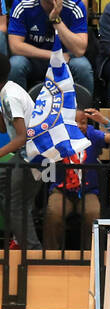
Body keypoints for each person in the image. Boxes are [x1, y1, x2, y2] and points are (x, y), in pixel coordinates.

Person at [43, 105, 110, 250]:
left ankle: (90, 255)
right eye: (75, 122)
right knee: (54, 213)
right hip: (62, 191)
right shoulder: (58, 136)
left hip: (88, 192)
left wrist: (104, 120)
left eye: (83, 122)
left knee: (93, 215)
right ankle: (52, 254)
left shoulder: (91, 134)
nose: (80, 126)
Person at [7, 0, 94, 92]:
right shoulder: (22, 4)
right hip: (33, 59)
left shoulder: (75, 6)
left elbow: (79, 50)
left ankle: (83, 106)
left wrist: (56, 20)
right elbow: (15, 46)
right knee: (16, 64)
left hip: (66, 59)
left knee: (82, 66)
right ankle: (17, 105)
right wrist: (54, 55)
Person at [0, 52, 40, 249]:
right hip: (24, 155)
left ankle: (31, 251)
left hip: (34, 157)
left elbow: (21, 137)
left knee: (16, 205)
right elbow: (3, 128)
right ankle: (18, 239)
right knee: (4, 186)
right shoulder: (5, 91)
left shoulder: (10, 96)